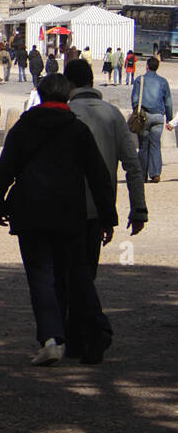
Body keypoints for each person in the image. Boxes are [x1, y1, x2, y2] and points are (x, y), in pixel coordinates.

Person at [0, 74, 116, 366]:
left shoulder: (23, 128)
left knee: (40, 276)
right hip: (70, 211)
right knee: (77, 273)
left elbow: (4, 171)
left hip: (31, 210)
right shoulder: (78, 130)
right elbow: (98, 177)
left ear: (41, 95)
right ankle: (98, 328)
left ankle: (52, 339)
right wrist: (107, 218)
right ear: (67, 96)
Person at [65, 58, 147, 362]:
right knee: (86, 271)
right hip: (99, 207)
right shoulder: (112, 114)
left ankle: (90, 331)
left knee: (70, 274)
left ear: (69, 84)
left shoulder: (66, 114)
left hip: (66, 206)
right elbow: (132, 166)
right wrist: (138, 208)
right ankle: (80, 337)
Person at [132, 55, 172, 182]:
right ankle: (155, 173)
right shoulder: (163, 81)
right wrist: (170, 119)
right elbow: (168, 102)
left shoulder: (140, 80)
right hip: (158, 117)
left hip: (144, 116)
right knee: (155, 144)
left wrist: (136, 113)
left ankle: (142, 174)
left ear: (147, 67)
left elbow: (135, 99)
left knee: (143, 145)